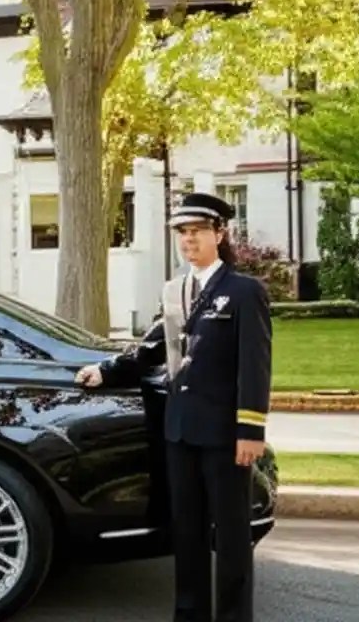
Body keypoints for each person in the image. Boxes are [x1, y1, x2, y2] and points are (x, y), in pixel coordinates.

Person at [75, 192, 272, 622]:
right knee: (187, 532)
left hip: (225, 436)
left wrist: (251, 431)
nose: (189, 240)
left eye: (197, 231)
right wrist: (107, 370)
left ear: (220, 233)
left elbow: (255, 366)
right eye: (183, 233)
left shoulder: (243, 291)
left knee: (233, 536)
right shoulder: (174, 290)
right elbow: (151, 347)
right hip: (179, 432)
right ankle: (190, 614)